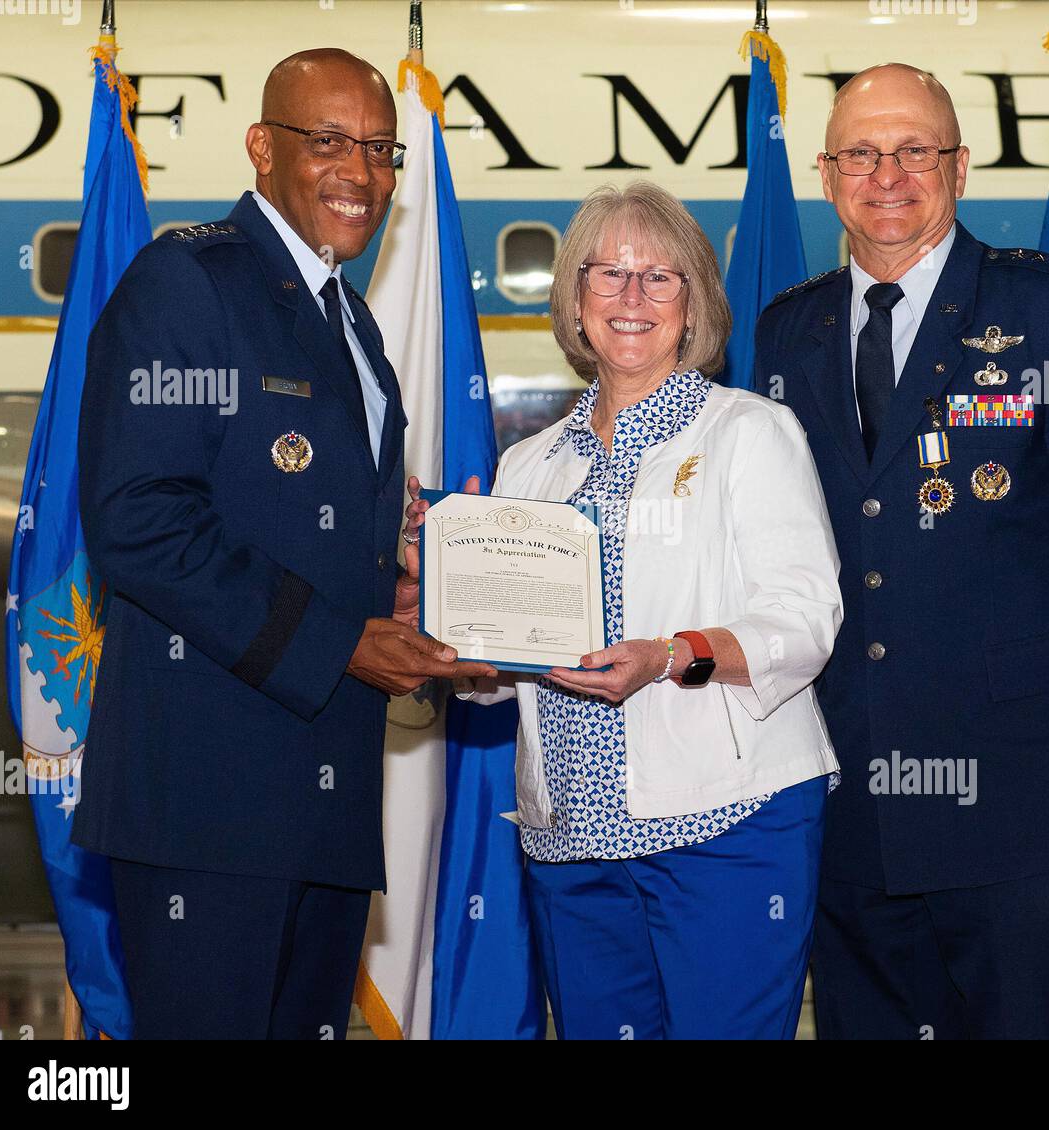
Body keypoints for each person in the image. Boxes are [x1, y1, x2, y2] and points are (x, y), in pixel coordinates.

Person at [75, 48, 493, 1039]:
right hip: (208, 810)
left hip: (323, 803)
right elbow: (138, 515)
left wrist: (410, 603)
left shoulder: (350, 323)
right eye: (330, 141)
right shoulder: (188, 281)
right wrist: (342, 639)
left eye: (381, 149)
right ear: (263, 147)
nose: (361, 172)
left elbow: (321, 538)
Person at [755, 64, 1049, 1040]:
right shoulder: (788, 331)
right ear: (825, 174)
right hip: (848, 814)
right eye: (861, 152)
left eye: (915, 150)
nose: (887, 174)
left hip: (1021, 817)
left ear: (960, 165)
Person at [410, 181, 843, 1039]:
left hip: (728, 823)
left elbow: (806, 618)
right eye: (608, 275)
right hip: (571, 833)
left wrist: (673, 654)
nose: (632, 297)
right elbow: (501, 674)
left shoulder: (749, 433)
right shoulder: (528, 466)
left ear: (696, 306)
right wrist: (450, 601)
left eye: (661, 277)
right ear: (576, 303)